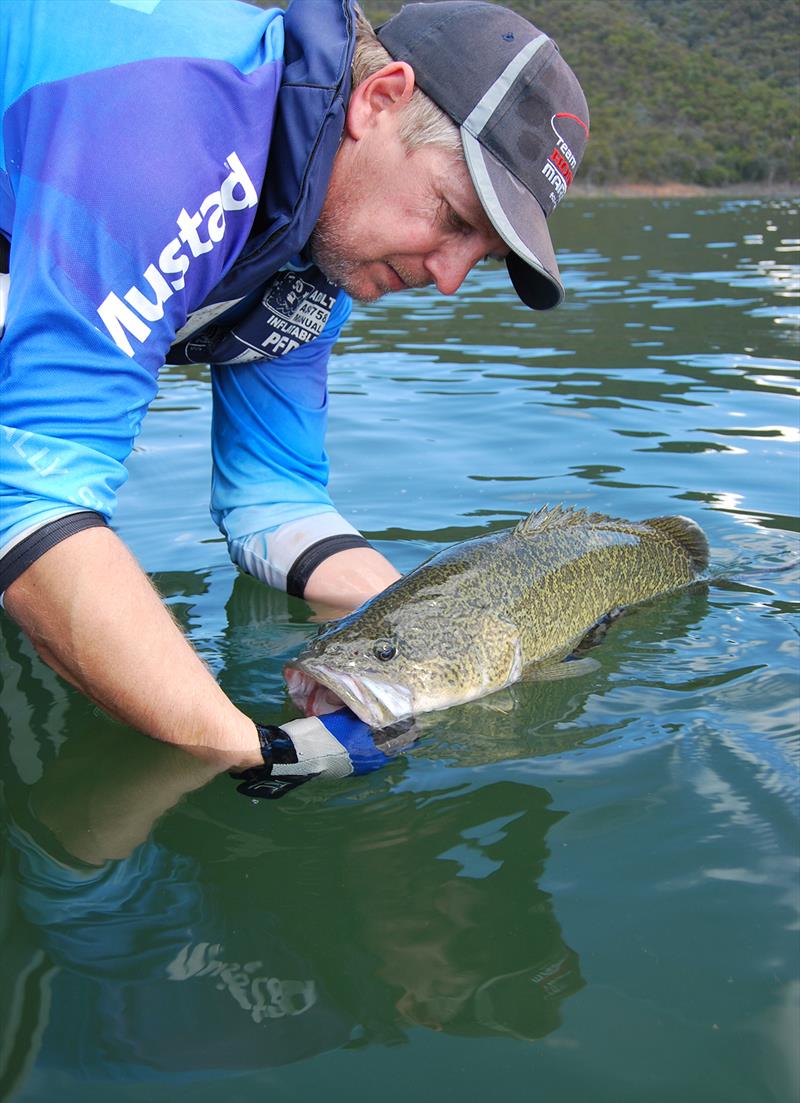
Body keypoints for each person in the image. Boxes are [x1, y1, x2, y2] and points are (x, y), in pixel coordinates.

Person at [0, 0, 589, 788]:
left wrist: (424, 636)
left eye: (479, 256)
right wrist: (255, 751)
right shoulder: (169, 133)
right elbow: (29, 499)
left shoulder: (321, 245)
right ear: (380, 99)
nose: (448, 279)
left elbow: (273, 502)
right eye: (453, 216)